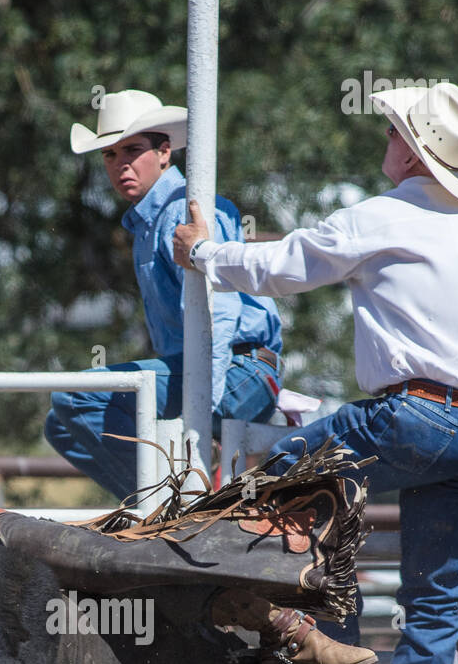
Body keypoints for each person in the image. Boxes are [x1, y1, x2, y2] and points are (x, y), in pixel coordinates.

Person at [173, 81, 458, 664]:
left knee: (280, 476)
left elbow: (284, 266)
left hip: (415, 418)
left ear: (412, 153)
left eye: (391, 135)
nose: (384, 143)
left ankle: (322, 642)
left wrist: (205, 254)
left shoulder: (381, 219)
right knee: (435, 606)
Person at [45, 89, 285, 505]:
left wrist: (199, 410)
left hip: (239, 369)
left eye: (132, 150)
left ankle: (173, 504)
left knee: (75, 395)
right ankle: (165, 506)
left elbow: (220, 311)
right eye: (109, 154)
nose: (120, 164)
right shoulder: (149, 221)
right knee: (60, 423)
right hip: (214, 367)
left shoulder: (186, 209)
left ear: (164, 152)